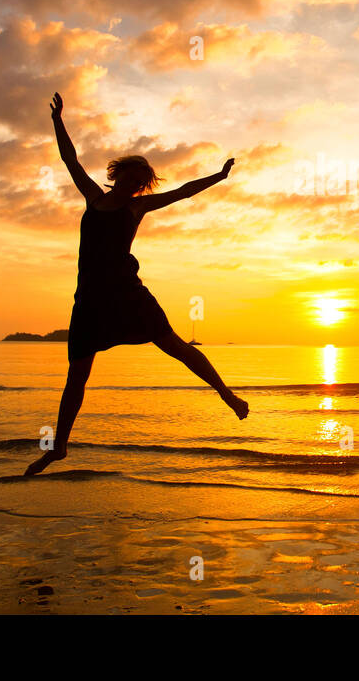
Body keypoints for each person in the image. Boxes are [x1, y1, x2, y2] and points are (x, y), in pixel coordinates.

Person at [26, 93, 248, 477]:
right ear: (119, 174)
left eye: (142, 180)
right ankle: (59, 447)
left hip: (128, 296)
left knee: (175, 346)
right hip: (90, 302)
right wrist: (58, 120)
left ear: (143, 186)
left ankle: (227, 395)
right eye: (131, 175)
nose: (136, 182)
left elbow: (182, 193)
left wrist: (220, 176)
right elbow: (69, 159)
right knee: (76, 377)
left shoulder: (137, 208)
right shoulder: (94, 198)